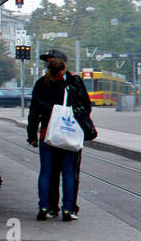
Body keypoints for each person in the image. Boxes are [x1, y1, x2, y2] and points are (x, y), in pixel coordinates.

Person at [27, 54, 92, 222]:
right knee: (69, 172)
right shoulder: (71, 84)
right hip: (67, 132)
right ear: (63, 69)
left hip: (47, 133)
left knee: (46, 172)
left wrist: (32, 135)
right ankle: (68, 209)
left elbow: (33, 111)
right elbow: (85, 107)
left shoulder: (41, 83)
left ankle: (44, 207)